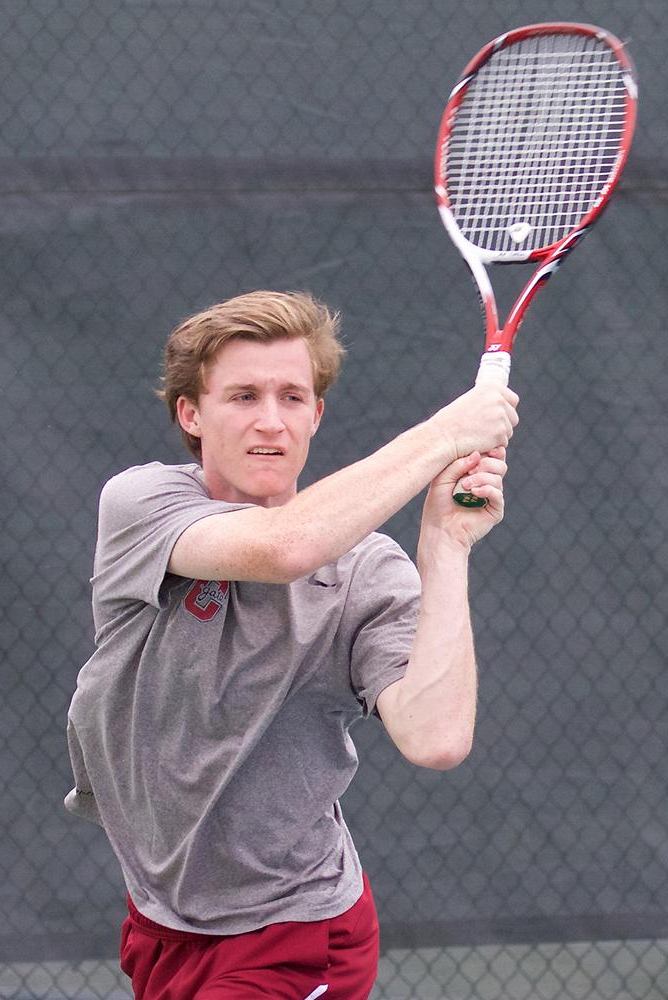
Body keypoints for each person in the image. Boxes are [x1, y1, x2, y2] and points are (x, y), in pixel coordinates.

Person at [65, 289, 518, 999]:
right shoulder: (142, 506)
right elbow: (285, 546)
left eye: (291, 397)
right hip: (162, 921)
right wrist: (445, 433)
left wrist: (445, 545)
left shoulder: (367, 575)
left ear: (316, 415)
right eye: (243, 396)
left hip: (296, 936)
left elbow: (436, 737)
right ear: (191, 413)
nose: (270, 422)